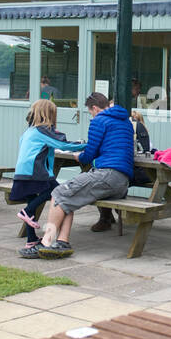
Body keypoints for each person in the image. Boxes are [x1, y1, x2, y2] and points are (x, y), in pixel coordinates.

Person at [38, 92, 133, 258]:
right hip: (122, 182)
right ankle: (61, 241)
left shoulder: (99, 120)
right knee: (68, 196)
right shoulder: (125, 121)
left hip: (107, 175)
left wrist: (78, 156)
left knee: (59, 192)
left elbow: (89, 154)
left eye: (90, 112)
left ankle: (47, 241)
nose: (91, 115)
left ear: (94, 108)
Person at [11, 99, 86, 258]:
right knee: (57, 192)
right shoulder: (43, 131)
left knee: (33, 200)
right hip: (35, 172)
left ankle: (31, 240)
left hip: (22, 172)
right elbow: (64, 145)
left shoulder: (29, 131)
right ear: (50, 114)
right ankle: (27, 211)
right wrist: (86, 145)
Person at [90, 107, 153, 233]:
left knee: (107, 178)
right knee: (103, 177)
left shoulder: (128, 127)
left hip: (137, 172)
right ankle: (108, 216)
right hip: (128, 170)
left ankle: (107, 217)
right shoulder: (115, 126)